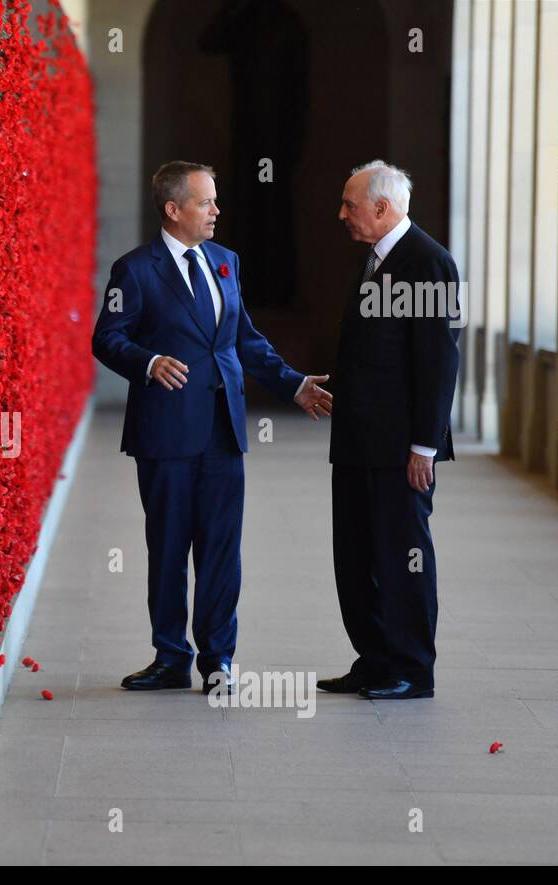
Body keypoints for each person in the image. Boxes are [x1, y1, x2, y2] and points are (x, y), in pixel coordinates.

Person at [92, 160, 332, 693]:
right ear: (173, 209)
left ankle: (218, 660)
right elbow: (107, 337)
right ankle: (170, 657)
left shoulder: (226, 262)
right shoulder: (135, 270)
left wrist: (292, 384)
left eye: (215, 200)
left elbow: (243, 338)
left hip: (224, 430)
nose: (217, 211)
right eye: (206, 202)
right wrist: (148, 362)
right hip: (166, 432)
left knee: (223, 549)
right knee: (170, 547)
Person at [317, 160, 461, 701]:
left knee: (403, 559)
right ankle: (374, 659)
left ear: (381, 208)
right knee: (355, 557)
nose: (341, 215)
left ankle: (410, 669)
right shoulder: (377, 258)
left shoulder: (429, 262)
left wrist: (424, 444)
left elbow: (438, 362)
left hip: (400, 448)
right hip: (357, 441)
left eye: (349, 206)